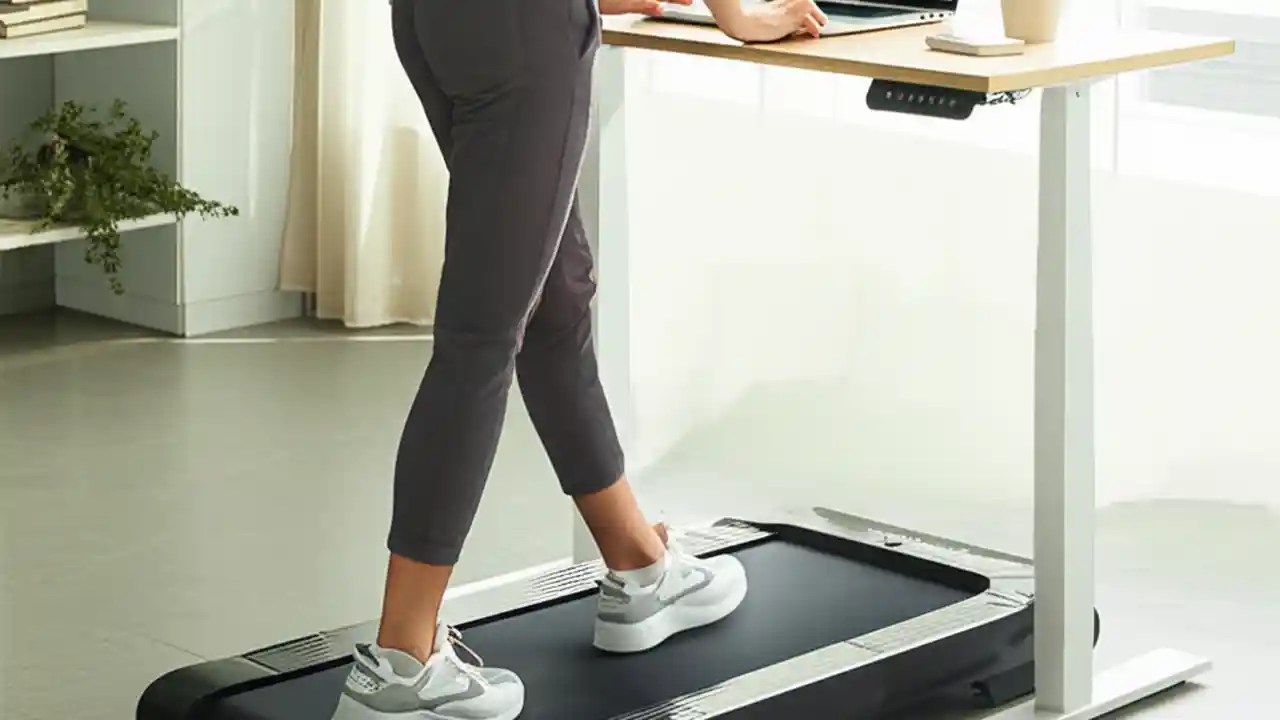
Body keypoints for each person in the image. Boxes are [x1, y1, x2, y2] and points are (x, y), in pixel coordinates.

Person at [332, 1, 829, 719]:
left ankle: (637, 562)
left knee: (553, 301)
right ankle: (401, 666)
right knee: (483, 332)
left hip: (432, 21)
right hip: (523, 32)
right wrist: (736, 12)